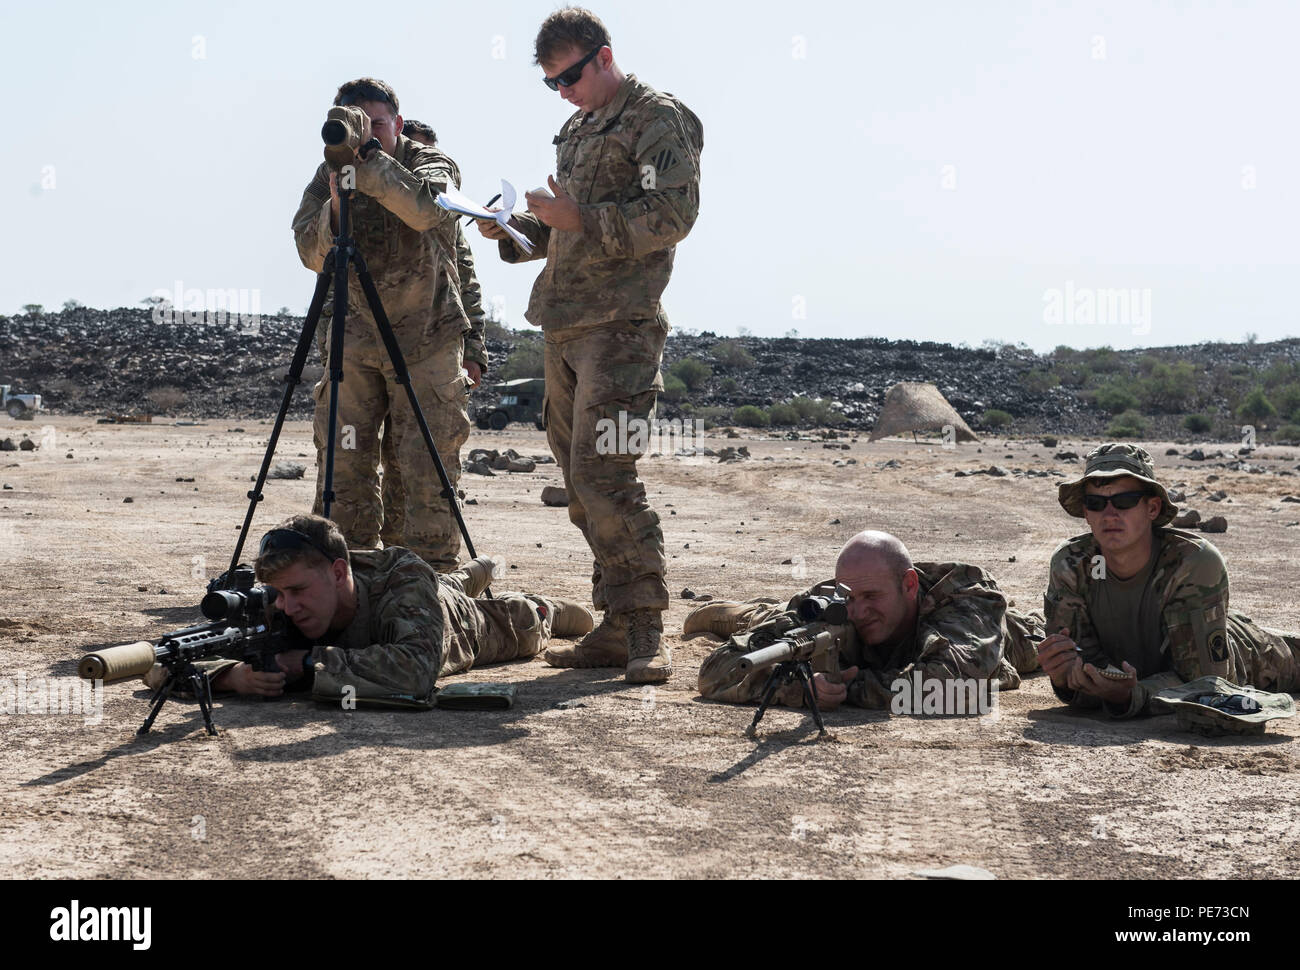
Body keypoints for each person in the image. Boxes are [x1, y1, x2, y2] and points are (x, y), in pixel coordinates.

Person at [478, 7, 704, 684]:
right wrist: (515, 229)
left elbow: (672, 216)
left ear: (604, 57)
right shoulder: (576, 131)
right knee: (580, 485)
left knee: (607, 477)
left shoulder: (658, 118)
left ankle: (645, 630)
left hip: (622, 327)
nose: (563, 91)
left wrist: (579, 217)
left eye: (570, 76)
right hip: (565, 324)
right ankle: (613, 623)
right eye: (551, 83)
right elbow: (567, 231)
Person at [291, 78, 476, 572]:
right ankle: (344, 576)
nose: (364, 133)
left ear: (396, 122)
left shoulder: (429, 162)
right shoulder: (327, 174)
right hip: (354, 339)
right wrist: (335, 203)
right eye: (355, 124)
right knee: (343, 461)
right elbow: (309, 252)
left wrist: (371, 167)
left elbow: (426, 210)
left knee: (424, 465)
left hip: (427, 339)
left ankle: (428, 579)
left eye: (375, 123)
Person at [151, 514, 593, 707]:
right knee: (449, 584)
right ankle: (472, 572)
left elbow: (417, 669)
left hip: (464, 625)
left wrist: (309, 662)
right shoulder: (281, 600)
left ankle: (540, 603)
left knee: (518, 617)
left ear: (338, 570)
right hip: (425, 596)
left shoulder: (402, 573)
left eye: (299, 590)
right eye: (280, 593)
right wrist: (229, 676)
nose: (288, 606)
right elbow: (159, 663)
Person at [1039, 443, 1300, 719]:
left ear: (1152, 508)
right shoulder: (1071, 566)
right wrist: (1065, 678)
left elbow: (1203, 688)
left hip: (1250, 655)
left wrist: (1132, 695)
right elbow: (1087, 671)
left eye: (1125, 501)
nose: (1110, 514)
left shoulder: (1193, 563)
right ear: (1087, 514)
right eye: (1096, 503)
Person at [694, 531, 1042, 713]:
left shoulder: (966, 594)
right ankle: (748, 614)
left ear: (908, 585)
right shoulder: (831, 603)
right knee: (780, 624)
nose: (859, 612)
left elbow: (952, 686)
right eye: (850, 599)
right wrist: (800, 689)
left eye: (872, 598)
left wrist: (847, 690)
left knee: (1037, 646)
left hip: (1003, 635)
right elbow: (715, 673)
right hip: (875, 654)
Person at [375, 117, 489, 552]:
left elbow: (466, 284)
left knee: (421, 456)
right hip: (371, 348)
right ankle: (383, 554)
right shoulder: (365, 208)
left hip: (429, 347)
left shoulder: (445, 226)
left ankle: (418, 561)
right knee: (374, 457)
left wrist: (473, 348)